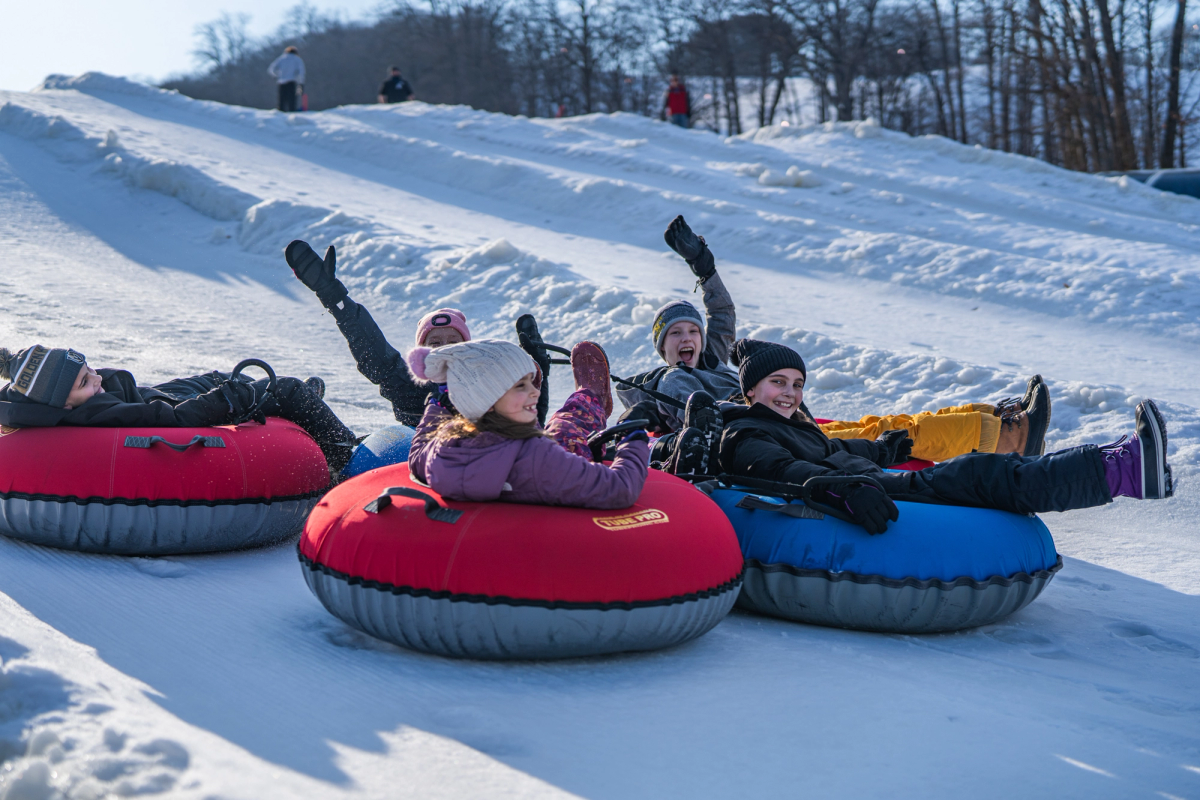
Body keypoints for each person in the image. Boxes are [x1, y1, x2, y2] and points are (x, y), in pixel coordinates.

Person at [616, 216, 1051, 471]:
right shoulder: (666, 383)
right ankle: (1010, 438)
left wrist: (702, 266)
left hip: (784, 419)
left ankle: (996, 417)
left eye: (692, 330)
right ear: (663, 347)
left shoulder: (709, 361)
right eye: (676, 334)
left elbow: (723, 313)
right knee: (888, 432)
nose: (688, 338)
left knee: (887, 420)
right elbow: (666, 421)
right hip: (760, 436)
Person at [712, 338, 1173, 534]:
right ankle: (1122, 473)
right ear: (751, 390)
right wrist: (843, 489)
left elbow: (833, 449)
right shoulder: (745, 434)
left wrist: (885, 447)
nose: (790, 394)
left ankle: (1118, 462)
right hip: (871, 493)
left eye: (797, 384)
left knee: (988, 470)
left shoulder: (791, 426)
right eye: (778, 383)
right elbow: (782, 472)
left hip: (871, 477)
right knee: (981, 474)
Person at [285, 240, 557, 428]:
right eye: (434, 343)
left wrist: (536, 366)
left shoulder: (488, 385)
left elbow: (528, 424)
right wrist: (335, 297)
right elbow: (370, 346)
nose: (444, 350)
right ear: (420, 353)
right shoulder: (408, 383)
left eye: (453, 342)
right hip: (413, 466)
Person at [0, 344, 357, 473]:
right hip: (156, 407)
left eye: (89, 369)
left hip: (146, 394)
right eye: (84, 382)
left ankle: (301, 404)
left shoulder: (40, 396)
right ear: (64, 403)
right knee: (287, 389)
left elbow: (25, 366)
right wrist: (227, 399)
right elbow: (173, 420)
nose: (95, 378)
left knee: (210, 378)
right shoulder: (99, 414)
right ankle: (346, 455)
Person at [406, 339, 647, 508]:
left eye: (532, 382)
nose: (535, 392)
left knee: (546, 430)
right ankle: (589, 398)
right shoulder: (535, 456)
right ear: (488, 400)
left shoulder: (445, 447)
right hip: (557, 471)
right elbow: (620, 488)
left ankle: (580, 400)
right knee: (566, 427)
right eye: (521, 385)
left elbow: (417, 457)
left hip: (501, 445)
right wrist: (633, 437)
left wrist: (438, 407)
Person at [268, 46, 305, 113]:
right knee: (292, 100)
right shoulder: (297, 59)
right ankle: (292, 113)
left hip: (281, 82)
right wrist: (301, 82)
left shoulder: (281, 58)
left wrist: (276, 75)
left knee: (281, 100)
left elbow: (271, 69)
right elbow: (301, 71)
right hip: (291, 81)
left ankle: (281, 114)